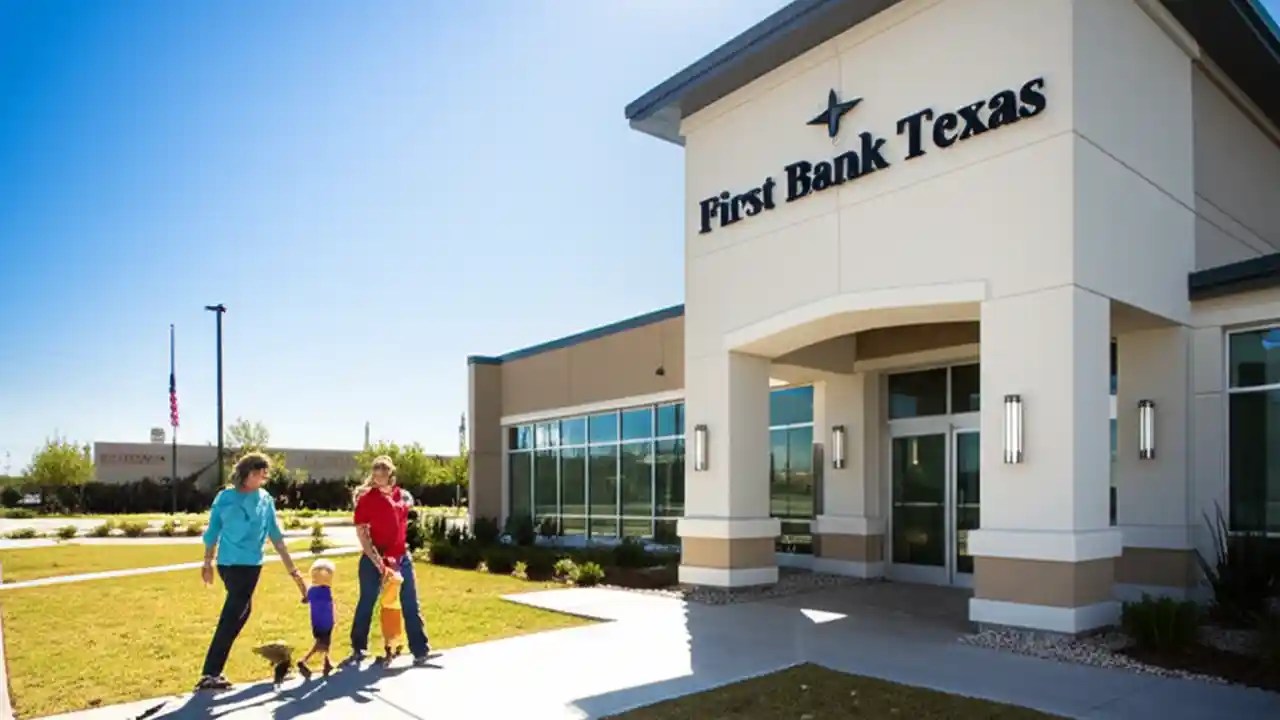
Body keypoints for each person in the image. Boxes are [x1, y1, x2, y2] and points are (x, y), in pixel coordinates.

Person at [196, 452, 307, 691]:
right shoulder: (225, 497)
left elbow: (275, 536)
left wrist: (293, 571)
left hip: (252, 564)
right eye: (258, 473)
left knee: (242, 612)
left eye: (264, 474)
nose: (262, 478)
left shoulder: (264, 499)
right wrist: (207, 562)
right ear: (245, 473)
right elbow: (213, 531)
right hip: (230, 564)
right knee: (233, 613)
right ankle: (210, 673)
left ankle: (213, 668)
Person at [348, 455, 431, 665]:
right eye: (376, 474)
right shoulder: (367, 500)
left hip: (401, 557)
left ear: (391, 474)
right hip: (374, 559)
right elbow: (362, 535)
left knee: (410, 601)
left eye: (383, 473)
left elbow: (407, 506)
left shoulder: (399, 496)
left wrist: (408, 502)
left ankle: (420, 649)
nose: (380, 477)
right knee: (367, 601)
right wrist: (379, 563)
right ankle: (358, 648)